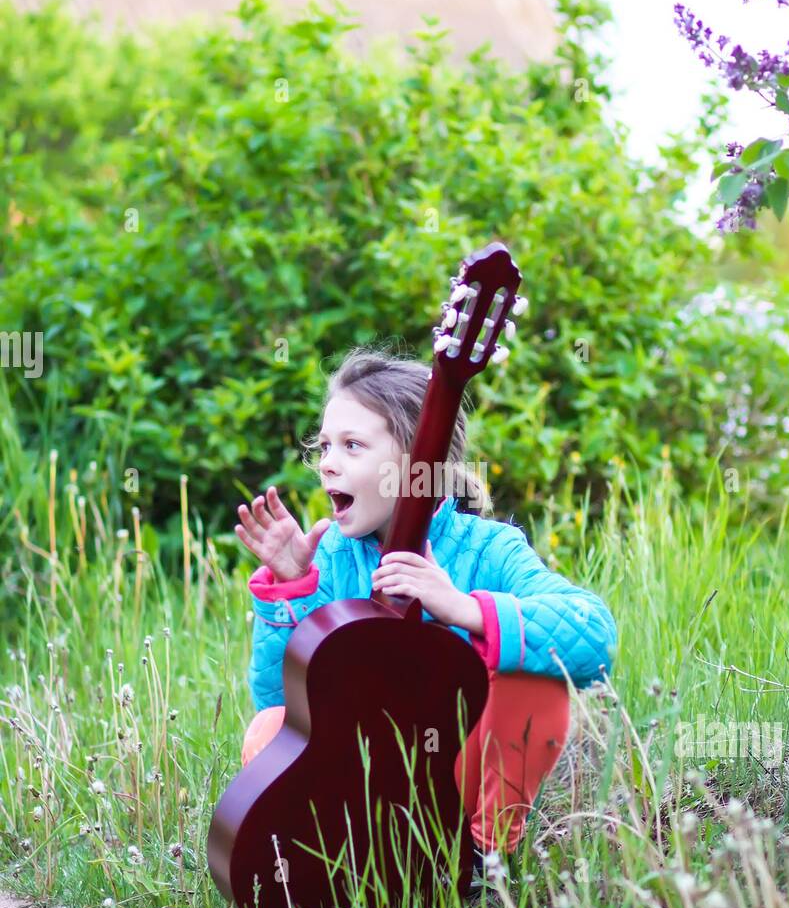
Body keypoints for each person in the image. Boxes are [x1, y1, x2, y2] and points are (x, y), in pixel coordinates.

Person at [234, 348, 616, 875]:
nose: (327, 462)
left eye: (352, 445)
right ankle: (329, 871)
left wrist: (464, 609)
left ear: (419, 461)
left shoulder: (490, 549)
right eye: (324, 446)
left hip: (454, 788)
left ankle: (480, 864)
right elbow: (281, 706)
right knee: (267, 729)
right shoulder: (329, 560)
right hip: (359, 799)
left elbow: (594, 635)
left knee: (537, 687)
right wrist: (291, 589)